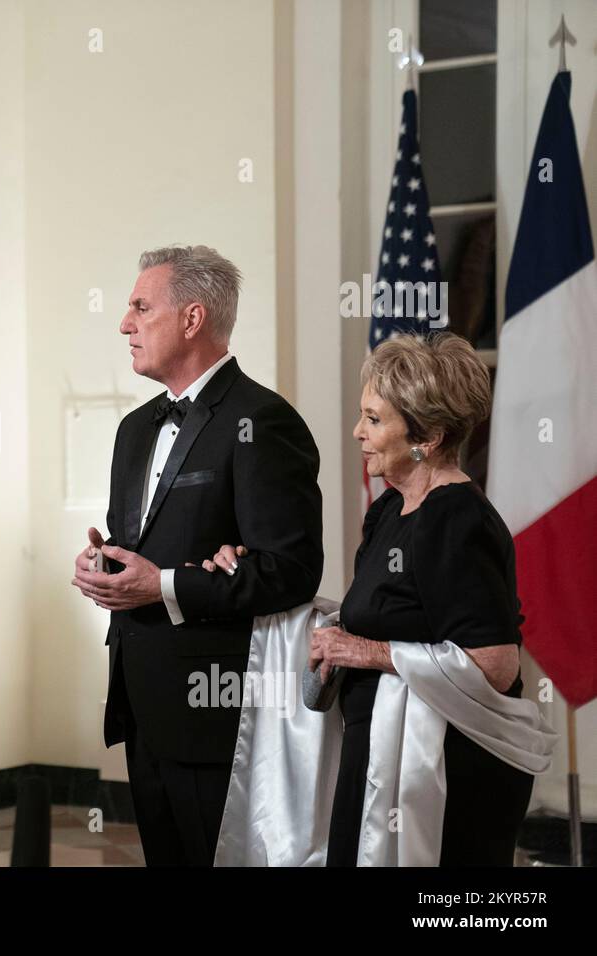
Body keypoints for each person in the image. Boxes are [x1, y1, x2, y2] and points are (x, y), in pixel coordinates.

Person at [71, 244, 323, 866]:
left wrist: (164, 585)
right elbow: (140, 548)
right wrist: (101, 567)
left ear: (191, 319)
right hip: (140, 697)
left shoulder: (264, 420)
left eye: (139, 307)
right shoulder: (133, 429)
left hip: (219, 710)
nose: (123, 323)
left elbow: (290, 570)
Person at [308, 334, 540, 865]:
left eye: (373, 419)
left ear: (428, 437)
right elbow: (383, 613)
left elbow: (495, 667)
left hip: (444, 776)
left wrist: (367, 653)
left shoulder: (458, 521)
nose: (357, 433)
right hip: (377, 759)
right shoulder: (390, 509)